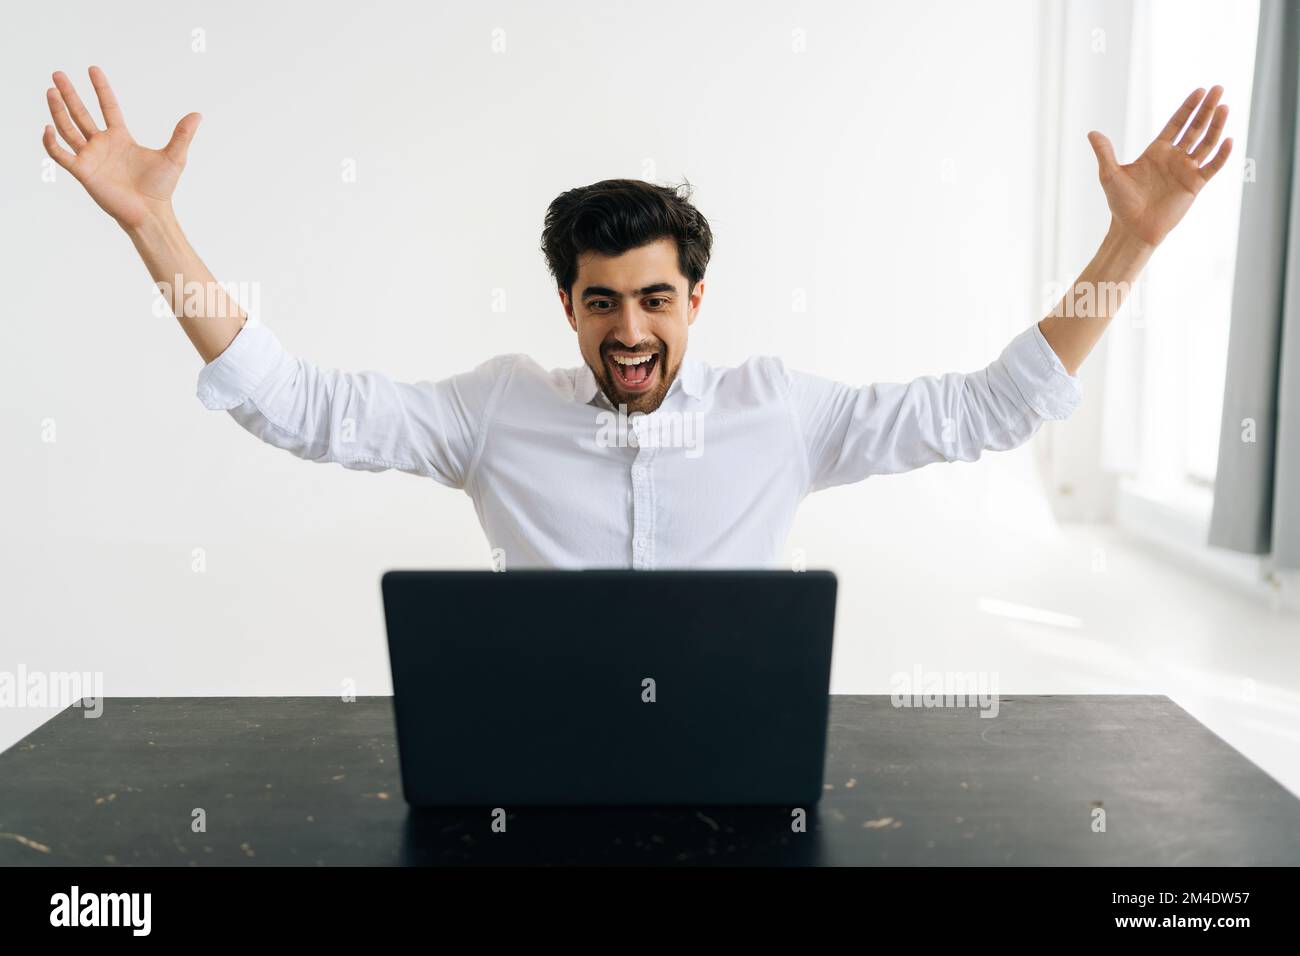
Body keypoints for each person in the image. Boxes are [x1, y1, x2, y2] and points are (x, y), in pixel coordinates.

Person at [41, 67, 1234, 569]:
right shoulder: (494, 411)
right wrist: (153, 227)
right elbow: (294, 404)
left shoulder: (781, 413)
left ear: (694, 301)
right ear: (566, 303)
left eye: (655, 299)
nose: (629, 330)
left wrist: (1131, 239)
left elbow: (986, 407)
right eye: (601, 300)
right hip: (534, 782)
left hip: (738, 779)